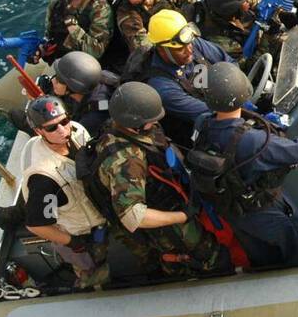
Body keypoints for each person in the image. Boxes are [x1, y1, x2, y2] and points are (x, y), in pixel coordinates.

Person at [191, 63, 298, 267]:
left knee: (260, 254)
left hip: (232, 209)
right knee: (295, 238)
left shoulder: (202, 122)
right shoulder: (254, 141)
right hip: (264, 209)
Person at [84, 81, 223, 277]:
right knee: (209, 255)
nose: (153, 123)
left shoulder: (124, 127)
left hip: (169, 193)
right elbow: (133, 216)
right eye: (149, 121)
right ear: (133, 123)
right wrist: (182, 216)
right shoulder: (126, 161)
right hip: (166, 220)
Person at [19, 95, 111, 291]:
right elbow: (38, 225)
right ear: (38, 131)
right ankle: (91, 288)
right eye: (52, 127)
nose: (62, 130)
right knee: (92, 272)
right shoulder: (44, 178)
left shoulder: (76, 130)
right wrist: (73, 242)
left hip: (100, 211)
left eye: (64, 121)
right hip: (80, 233)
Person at [136, 9, 235, 146]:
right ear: (161, 49)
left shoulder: (192, 44)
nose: (189, 50)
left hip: (222, 99)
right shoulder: (161, 85)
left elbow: (229, 63)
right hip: (200, 131)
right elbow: (211, 113)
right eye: (179, 48)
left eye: (189, 43)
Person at [195, 0, 289, 68]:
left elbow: (254, 2)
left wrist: (279, 13)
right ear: (232, 10)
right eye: (245, 1)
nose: (249, 1)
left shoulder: (225, 6)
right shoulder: (220, 41)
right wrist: (269, 37)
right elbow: (249, 68)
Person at [38, 51, 117, 138]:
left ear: (72, 88)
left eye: (58, 80)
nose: (53, 81)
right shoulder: (84, 88)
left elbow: (69, 138)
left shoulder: (93, 117)